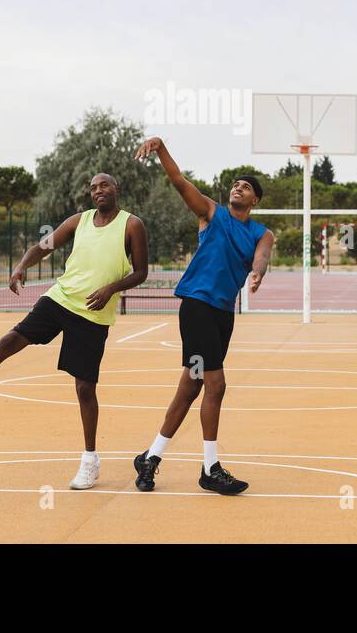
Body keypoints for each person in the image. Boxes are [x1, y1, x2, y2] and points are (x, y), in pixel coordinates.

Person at [0, 173, 148, 490]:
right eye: (93, 187)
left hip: (93, 312)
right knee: (10, 339)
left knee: (84, 388)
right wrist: (21, 266)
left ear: (117, 189)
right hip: (62, 297)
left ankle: (90, 460)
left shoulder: (131, 224)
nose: (98, 191)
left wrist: (112, 288)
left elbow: (141, 271)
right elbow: (44, 245)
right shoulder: (79, 221)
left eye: (104, 185)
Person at [130, 137, 274, 495]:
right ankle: (210, 468)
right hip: (196, 308)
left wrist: (257, 272)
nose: (238, 188)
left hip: (223, 315)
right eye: (235, 184)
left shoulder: (261, 233)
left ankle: (150, 457)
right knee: (217, 385)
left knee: (191, 386)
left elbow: (262, 256)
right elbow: (179, 180)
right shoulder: (212, 212)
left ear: (254, 200)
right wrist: (161, 148)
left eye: (246, 187)